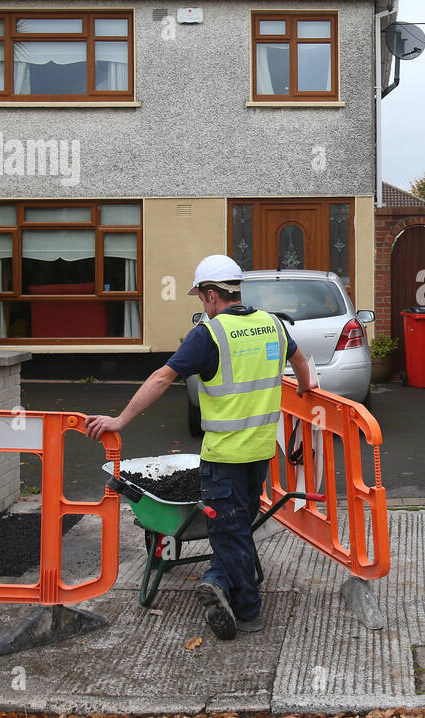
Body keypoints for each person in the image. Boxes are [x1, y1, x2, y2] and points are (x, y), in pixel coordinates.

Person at [88, 255, 316, 641]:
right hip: (261, 452)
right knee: (238, 527)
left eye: (201, 298)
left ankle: (247, 612)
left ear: (212, 295)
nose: (202, 305)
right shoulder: (272, 324)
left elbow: (162, 377)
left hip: (224, 458)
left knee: (228, 534)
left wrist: (120, 420)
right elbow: (297, 358)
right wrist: (307, 388)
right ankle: (215, 579)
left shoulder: (210, 334)